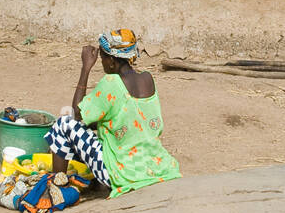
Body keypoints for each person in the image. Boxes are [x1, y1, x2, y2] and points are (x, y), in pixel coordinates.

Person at [45, 28, 182, 197]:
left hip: (120, 172)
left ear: (111, 61)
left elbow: (77, 114)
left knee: (63, 124)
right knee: (101, 127)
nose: (101, 63)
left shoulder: (111, 82)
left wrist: (85, 69)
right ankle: (93, 183)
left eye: (102, 58)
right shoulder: (147, 79)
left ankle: (56, 188)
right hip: (154, 165)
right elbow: (128, 117)